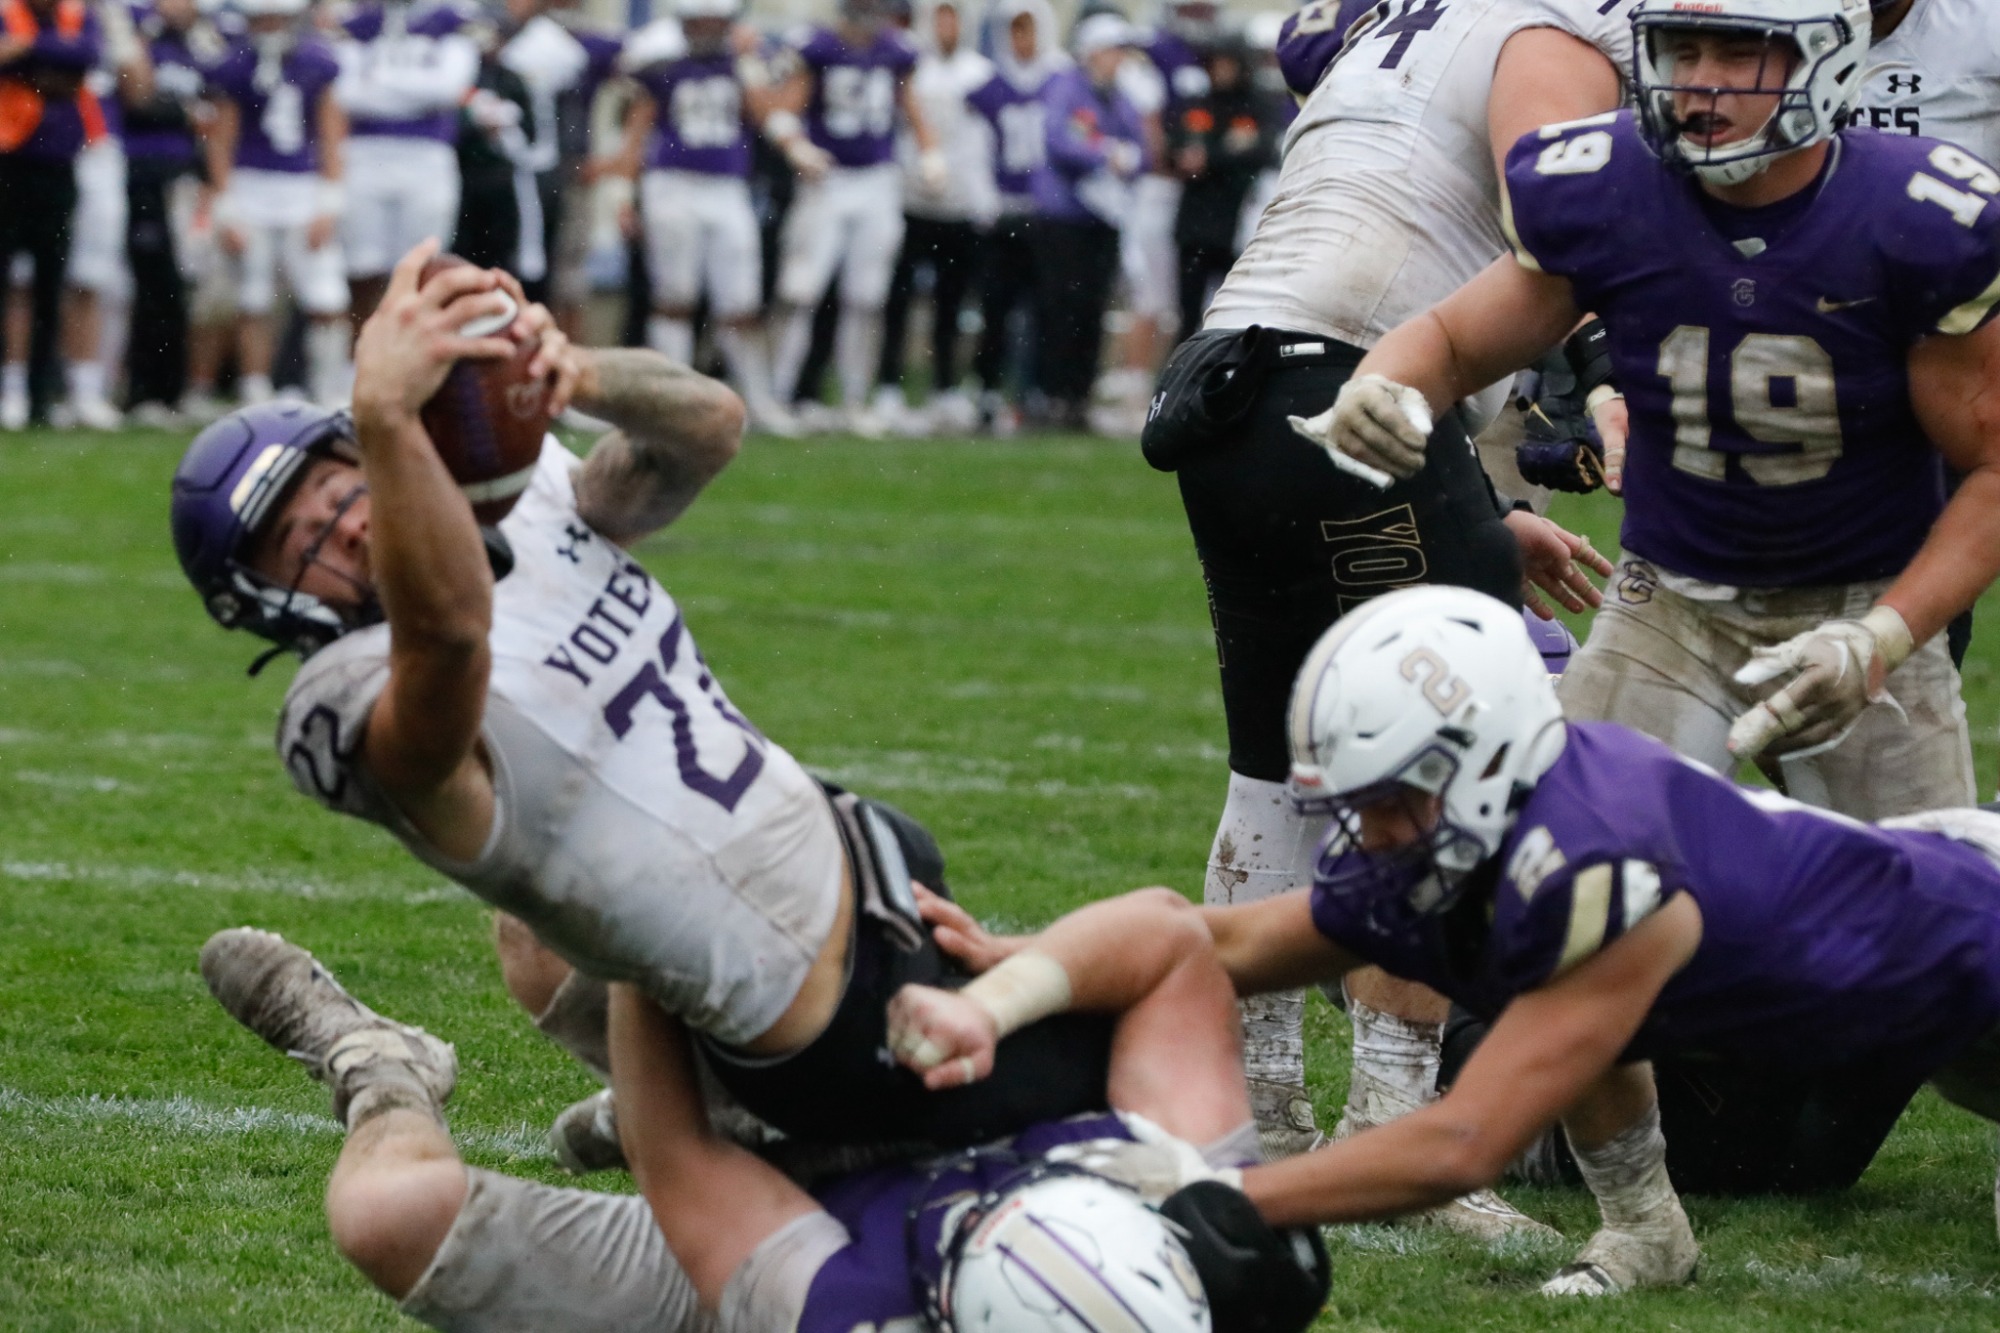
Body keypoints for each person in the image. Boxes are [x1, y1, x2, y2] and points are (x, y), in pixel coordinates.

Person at [168, 239, 1253, 1169]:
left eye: (342, 490)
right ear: (261, 601)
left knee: (1149, 976)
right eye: (301, 543)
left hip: (837, 848)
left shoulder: (528, 494)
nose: (345, 529)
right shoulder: (343, 697)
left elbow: (709, 427)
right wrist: (390, 418)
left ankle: (674, 1121)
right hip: (789, 996)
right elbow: (448, 632)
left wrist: (573, 369)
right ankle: (482, 1087)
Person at [894, 584, 2000, 1299]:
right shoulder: (1483, 826)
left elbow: (1461, 1142)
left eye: (1392, 801)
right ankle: (1648, 1233)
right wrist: (1005, 985)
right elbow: (1201, 938)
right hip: (1901, 993)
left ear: (1485, 758)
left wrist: (1207, 1197)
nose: (1368, 836)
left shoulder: (1593, 863)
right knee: (1548, 976)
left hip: (1974, 958)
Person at [1138, 0, 1626, 1193]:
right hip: (1362, 388)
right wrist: (1629, 370)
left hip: (1232, 389)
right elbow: (1556, 226)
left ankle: (1263, 1109)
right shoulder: (1557, 35)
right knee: (1441, 761)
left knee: (1271, 765)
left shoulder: (1398, 25)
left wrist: (1476, 512)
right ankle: (1387, 1124)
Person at [195, 926, 1330, 1333]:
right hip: (880, 1103)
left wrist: (650, 982)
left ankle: (380, 1071)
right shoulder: (1177, 1181)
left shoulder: (849, 1313)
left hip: (788, 1244)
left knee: (388, 1219)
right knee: (539, 938)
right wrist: (999, 987)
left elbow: (685, 1176)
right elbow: (1172, 947)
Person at [619, 0, 797, 436]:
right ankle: (677, 401)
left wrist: (797, 149)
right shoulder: (660, 64)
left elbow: (765, 110)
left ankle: (758, 399)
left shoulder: (742, 64)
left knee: (741, 300)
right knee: (674, 295)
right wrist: (624, 194)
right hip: (672, 184)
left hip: (725, 187)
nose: (709, 30)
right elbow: (637, 131)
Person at [766, 0, 944, 434]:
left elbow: (910, 105)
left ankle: (853, 399)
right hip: (829, 181)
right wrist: (796, 146)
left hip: (877, 181)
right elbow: (783, 109)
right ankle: (779, 395)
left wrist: (930, 150)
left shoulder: (897, 50)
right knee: (803, 290)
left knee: (866, 297)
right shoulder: (817, 47)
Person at [204, 0, 351, 408]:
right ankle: (255, 391)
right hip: (251, 185)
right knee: (253, 296)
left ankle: (330, 387)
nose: (269, 27)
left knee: (325, 295)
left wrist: (329, 202)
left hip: (303, 186)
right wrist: (226, 204)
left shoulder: (317, 61)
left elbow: (331, 132)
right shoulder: (235, 64)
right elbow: (221, 137)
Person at [870, 0, 992, 436]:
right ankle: (888, 386)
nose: (945, 26)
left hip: (959, 203)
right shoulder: (910, 63)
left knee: (951, 302)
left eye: (953, 17)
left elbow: (983, 142)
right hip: (911, 198)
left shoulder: (979, 73)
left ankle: (945, 387)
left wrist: (980, 196)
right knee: (898, 300)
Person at [1027, 10, 1146, 432]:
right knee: (1061, 306)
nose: (1119, 61)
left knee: (1092, 309)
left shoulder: (1119, 96)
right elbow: (1060, 139)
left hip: (1103, 217)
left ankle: (1078, 395)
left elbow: (1140, 146)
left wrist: (1126, 155)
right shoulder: (1068, 88)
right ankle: (1051, 394)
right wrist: (1105, 153)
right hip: (1065, 216)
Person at [333, 0, 479, 324]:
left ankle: (414, 353)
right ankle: (358, 357)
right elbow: (345, 93)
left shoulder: (452, 18)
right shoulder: (359, 20)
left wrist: (379, 84)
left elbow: (449, 88)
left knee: (423, 263)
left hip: (426, 154)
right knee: (361, 266)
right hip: (365, 153)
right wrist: (416, 92)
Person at [121, 0, 226, 424]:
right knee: (152, 280)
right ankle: (144, 391)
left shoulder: (201, 43)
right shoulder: (139, 32)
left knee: (186, 283)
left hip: (188, 175)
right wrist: (184, 113)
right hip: (145, 172)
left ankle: (176, 389)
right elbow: (139, 98)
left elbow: (218, 104)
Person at [0, 0, 103, 429]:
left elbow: (87, 57)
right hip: (9, 160)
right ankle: (9, 389)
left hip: (58, 162)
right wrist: (50, 59)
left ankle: (42, 395)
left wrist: (27, 53)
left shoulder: (76, 15)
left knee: (50, 284)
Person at [962, 0, 1062, 435]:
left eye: (1030, 30)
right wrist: (984, 201)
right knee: (996, 308)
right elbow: (975, 149)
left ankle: (1036, 390)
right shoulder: (990, 86)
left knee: (1046, 308)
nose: (1024, 40)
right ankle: (987, 389)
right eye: (1016, 31)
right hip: (1005, 211)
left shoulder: (1061, 81)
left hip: (1048, 213)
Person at [1166, 27, 1278, 340]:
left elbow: (1261, 150)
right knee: (1187, 312)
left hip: (1236, 223)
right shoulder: (1199, 102)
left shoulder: (1256, 105)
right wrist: (1216, 152)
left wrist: (1211, 157)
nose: (1221, 71)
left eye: (1228, 63)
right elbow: (1175, 145)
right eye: (1216, 64)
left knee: (1232, 313)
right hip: (1194, 222)